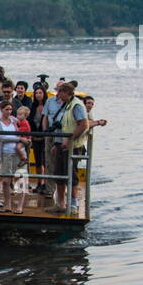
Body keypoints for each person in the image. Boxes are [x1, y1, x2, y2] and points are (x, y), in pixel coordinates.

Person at [48, 82, 88, 213]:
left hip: (72, 147)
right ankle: (60, 204)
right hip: (61, 145)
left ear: (66, 92)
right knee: (59, 174)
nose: (58, 94)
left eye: (60, 92)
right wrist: (57, 143)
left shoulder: (76, 105)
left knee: (71, 174)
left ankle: (74, 205)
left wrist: (70, 140)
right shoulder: (66, 105)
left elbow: (83, 125)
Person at [71, 96, 107, 214]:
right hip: (74, 144)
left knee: (74, 169)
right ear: (84, 103)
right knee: (72, 171)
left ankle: (73, 198)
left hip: (80, 145)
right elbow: (85, 124)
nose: (90, 105)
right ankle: (73, 200)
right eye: (88, 103)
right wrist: (98, 122)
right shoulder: (79, 112)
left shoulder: (88, 113)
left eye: (92, 104)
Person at [0, 101, 23, 212]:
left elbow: (23, 128)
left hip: (18, 152)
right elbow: (2, 138)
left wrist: (21, 139)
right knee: (6, 180)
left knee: (20, 178)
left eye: (10, 109)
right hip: (5, 153)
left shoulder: (14, 120)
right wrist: (18, 139)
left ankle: (19, 206)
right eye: (6, 109)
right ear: (1, 110)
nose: (9, 112)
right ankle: (7, 204)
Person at [29, 84, 49, 193]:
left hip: (44, 136)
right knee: (38, 161)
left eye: (40, 93)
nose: (38, 95)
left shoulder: (47, 106)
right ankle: (39, 182)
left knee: (45, 161)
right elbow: (30, 120)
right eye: (36, 93)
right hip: (35, 136)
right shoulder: (33, 106)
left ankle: (45, 183)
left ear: (44, 94)